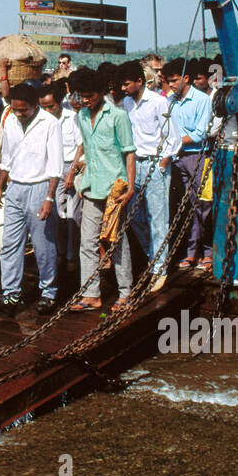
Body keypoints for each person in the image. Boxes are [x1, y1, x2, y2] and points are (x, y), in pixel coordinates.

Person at [65, 68, 137, 310]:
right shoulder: (82, 117)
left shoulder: (118, 116)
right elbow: (85, 147)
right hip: (91, 187)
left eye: (90, 96)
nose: (86, 100)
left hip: (115, 189)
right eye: (82, 96)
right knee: (87, 242)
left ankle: (126, 292)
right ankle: (91, 294)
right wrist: (76, 176)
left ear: (101, 92)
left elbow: (129, 152)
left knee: (116, 242)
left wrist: (130, 187)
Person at [0, 83, 63, 313]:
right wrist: (0, 186)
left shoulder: (50, 124)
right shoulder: (10, 121)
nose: (19, 114)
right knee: (11, 244)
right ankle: (11, 294)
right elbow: (7, 157)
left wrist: (49, 197)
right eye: (15, 109)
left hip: (40, 188)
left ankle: (48, 292)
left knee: (44, 245)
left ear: (35, 106)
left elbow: (55, 164)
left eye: (24, 110)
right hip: (15, 188)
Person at [119, 61, 180, 290]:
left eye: (127, 84)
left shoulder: (158, 102)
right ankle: (153, 256)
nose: (124, 88)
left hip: (156, 163)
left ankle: (159, 268)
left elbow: (170, 136)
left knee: (158, 217)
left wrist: (163, 164)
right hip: (135, 164)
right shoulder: (126, 103)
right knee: (135, 216)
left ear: (140, 81)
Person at [161, 59, 214, 270]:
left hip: (198, 157)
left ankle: (208, 252)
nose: (171, 85)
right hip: (176, 158)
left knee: (203, 205)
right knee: (186, 207)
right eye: (168, 81)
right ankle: (191, 252)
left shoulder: (202, 100)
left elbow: (200, 134)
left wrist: (174, 140)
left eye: (174, 81)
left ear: (185, 79)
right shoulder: (169, 102)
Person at [39, 82, 81, 273]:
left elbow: (81, 145)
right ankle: (60, 252)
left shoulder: (72, 118)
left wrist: (72, 171)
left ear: (59, 103)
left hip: (72, 167)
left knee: (73, 216)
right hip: (52, 171)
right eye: (44, 107)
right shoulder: (42, 122)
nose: (48, 110)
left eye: (51, 106)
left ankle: (72, 256)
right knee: (56, 215)